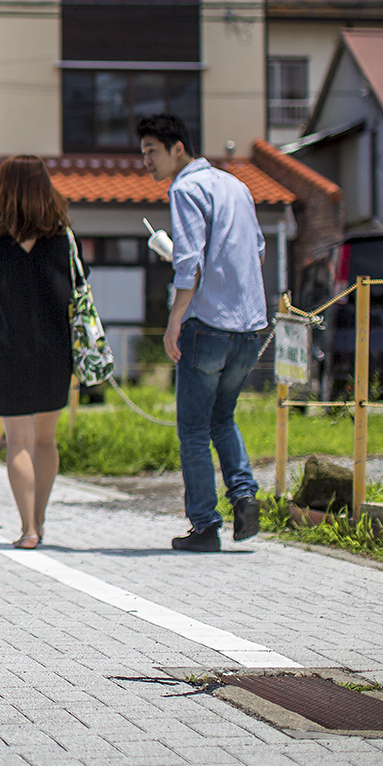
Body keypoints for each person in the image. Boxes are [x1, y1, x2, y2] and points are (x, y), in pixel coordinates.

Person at [139, 112, 264, 553]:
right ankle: (244, 498)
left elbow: (189, 261)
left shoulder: (185, 189)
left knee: (193, 429)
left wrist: (175, 319)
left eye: (152, 151)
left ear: (178, 149)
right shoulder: (237, 186)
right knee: (222, 418)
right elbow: (258, 250)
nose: (146, 161)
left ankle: (205, 526)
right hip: (249, 327)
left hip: (207, 325)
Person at [0, 155, 80, 549]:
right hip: (55, 349)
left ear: (4, 190)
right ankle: (40, 521)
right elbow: (77, 291)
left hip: (7, 348)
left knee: (19, 442)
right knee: (45, 440)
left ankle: (27, 528)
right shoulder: (63, 239)